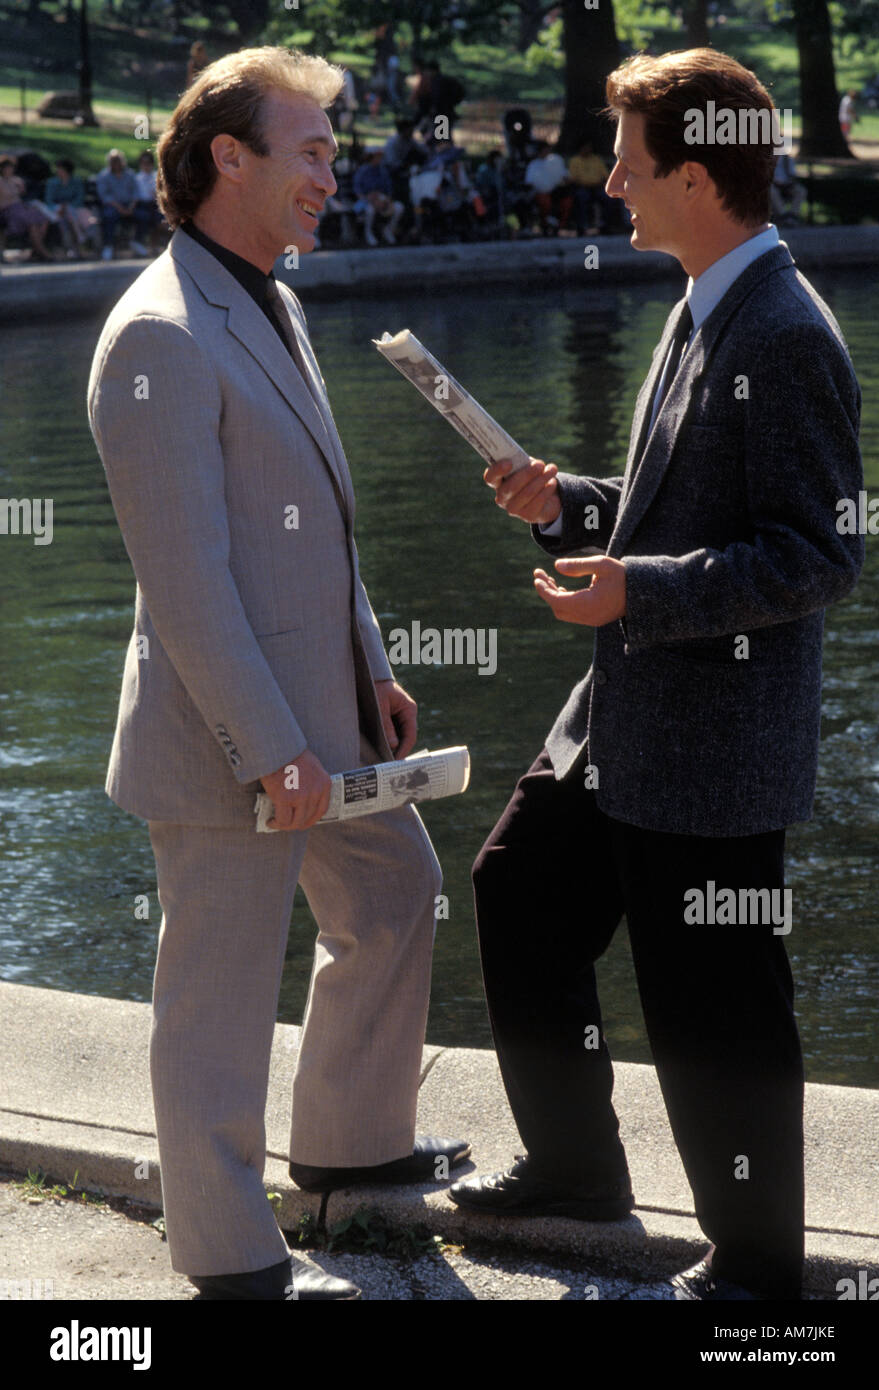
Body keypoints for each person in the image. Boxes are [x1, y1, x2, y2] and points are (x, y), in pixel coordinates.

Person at [448, 48, 864, 1304]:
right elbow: (676, 507)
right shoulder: (704, 299)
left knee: (715, 1003)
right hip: (624, 712)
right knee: (519, 891)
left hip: (709, 743)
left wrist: (642, 589)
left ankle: (758, 1266)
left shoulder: (784, 331)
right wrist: (571, 505)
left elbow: (817, 553)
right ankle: (579, 1170)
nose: (612, 176)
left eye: (630, 157)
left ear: (692, 175)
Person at [87, 46, 468, 1303]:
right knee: (217, 995)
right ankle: (233, 1256)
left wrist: (371, 673)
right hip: (225, 742)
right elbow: (188, 581)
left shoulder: (271, 297)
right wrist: (271, 746)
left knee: (398, 888)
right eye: (307, 147)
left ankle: (349, 1162)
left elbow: (315, 522)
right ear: (225, 159)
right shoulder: (156, 333)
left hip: (325, 717)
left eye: (332, 147)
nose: (330, 170)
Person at [44, 157, 99, 258]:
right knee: (66, 217)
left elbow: (79, 198)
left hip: (75, 210)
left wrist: (68, 207)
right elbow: (49, 200)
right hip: (58, 211)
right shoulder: (52, 183)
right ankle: (79, 239)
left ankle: (78, 246)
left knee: (72, 214)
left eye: (60, 169)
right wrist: (59, 207)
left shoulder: (76, 182)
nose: (58, 171)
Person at [0, 155, 52, 260]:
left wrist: (20, 187)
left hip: (20, 207)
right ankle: (43, 253)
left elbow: (23, 194)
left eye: (11, 168)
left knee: (43, 220)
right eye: (7, 168)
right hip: (7, 210)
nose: (10, 170)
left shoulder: (16, 180)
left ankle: (36, 251)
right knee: (32, 224)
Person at [353, 147, 404, 246]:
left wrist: (386, 200)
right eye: (377, 156)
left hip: (382, 200)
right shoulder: (362, 171)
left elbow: (389, 189)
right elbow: (357, 189)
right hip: (366, 200)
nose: (379, 159)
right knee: (370, 210)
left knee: (399, 207)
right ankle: (368, 233)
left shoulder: (383, 171)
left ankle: (388, 230)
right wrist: (369, 199)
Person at [95, 148, 138, 260]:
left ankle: (137, 242)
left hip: (130, 205)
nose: (116, 164)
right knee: (109, 216)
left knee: (143, 215)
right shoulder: (104, 176)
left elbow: (136, 192)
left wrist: (131, 207)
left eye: (118, 160)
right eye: (113, 161)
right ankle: (108, 246)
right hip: (113, 206)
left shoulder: (130, 174)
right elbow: (105, 196)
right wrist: (120, 208)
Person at [132, 149, 165, 254]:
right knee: (143, 217)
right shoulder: (137, 178)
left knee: (159, 219)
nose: (146, 166)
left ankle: (154, 245)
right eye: (144, 163)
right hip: (141, 205)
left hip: (155, 204)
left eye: (148, 163)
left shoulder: (157, 176)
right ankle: (139, 243)